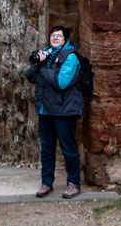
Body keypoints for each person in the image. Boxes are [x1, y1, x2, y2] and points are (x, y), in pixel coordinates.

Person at [25, 26, 83, 198]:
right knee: (47, 148)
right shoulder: (47, 54)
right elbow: (30, 76)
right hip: (46, 109)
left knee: (68, 148)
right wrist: (39, 62)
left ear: (65, 39)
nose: (55, 38)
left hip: (64, 111)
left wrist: (43, 67)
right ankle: (46, 183)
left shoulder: (70, 57)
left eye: (59, 35)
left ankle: (74, 183)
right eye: (52, 35)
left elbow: (61, 82)